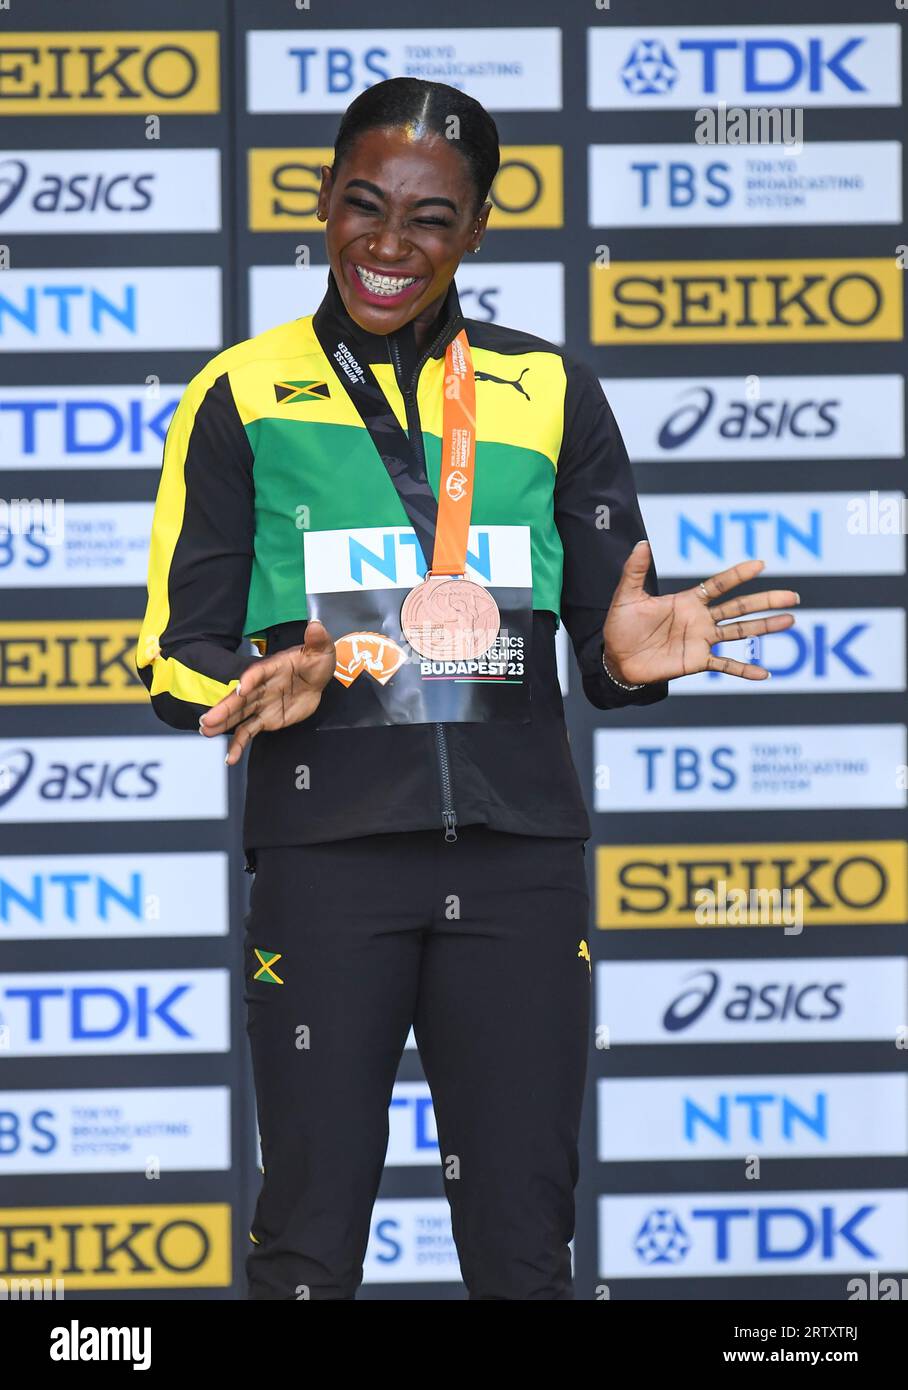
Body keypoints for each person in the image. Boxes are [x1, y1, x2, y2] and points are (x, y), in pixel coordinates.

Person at [136, 77, 797, 1300]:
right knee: (308, 1239)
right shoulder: (237, 391)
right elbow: (173, 653)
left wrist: (627, 654)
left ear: (479, 229)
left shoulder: (550, 390)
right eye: (363, 206)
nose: (389, 246)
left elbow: (609, 635)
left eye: (430, 219)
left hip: (519, 860)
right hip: (324, 861)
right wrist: (248, 680)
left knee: (520, 1250)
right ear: (321, 202)